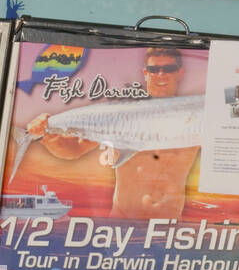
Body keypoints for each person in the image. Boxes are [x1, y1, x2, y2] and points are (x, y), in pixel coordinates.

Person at [24, 47, 200, 220]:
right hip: (120, 223)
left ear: (180, 72)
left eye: (169, 69)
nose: (161, 75)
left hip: (168, 227)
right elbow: (72, 151)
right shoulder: (119, 115)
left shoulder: (198, 116)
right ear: (145, 73)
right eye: (154, 69)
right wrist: (45, 136)